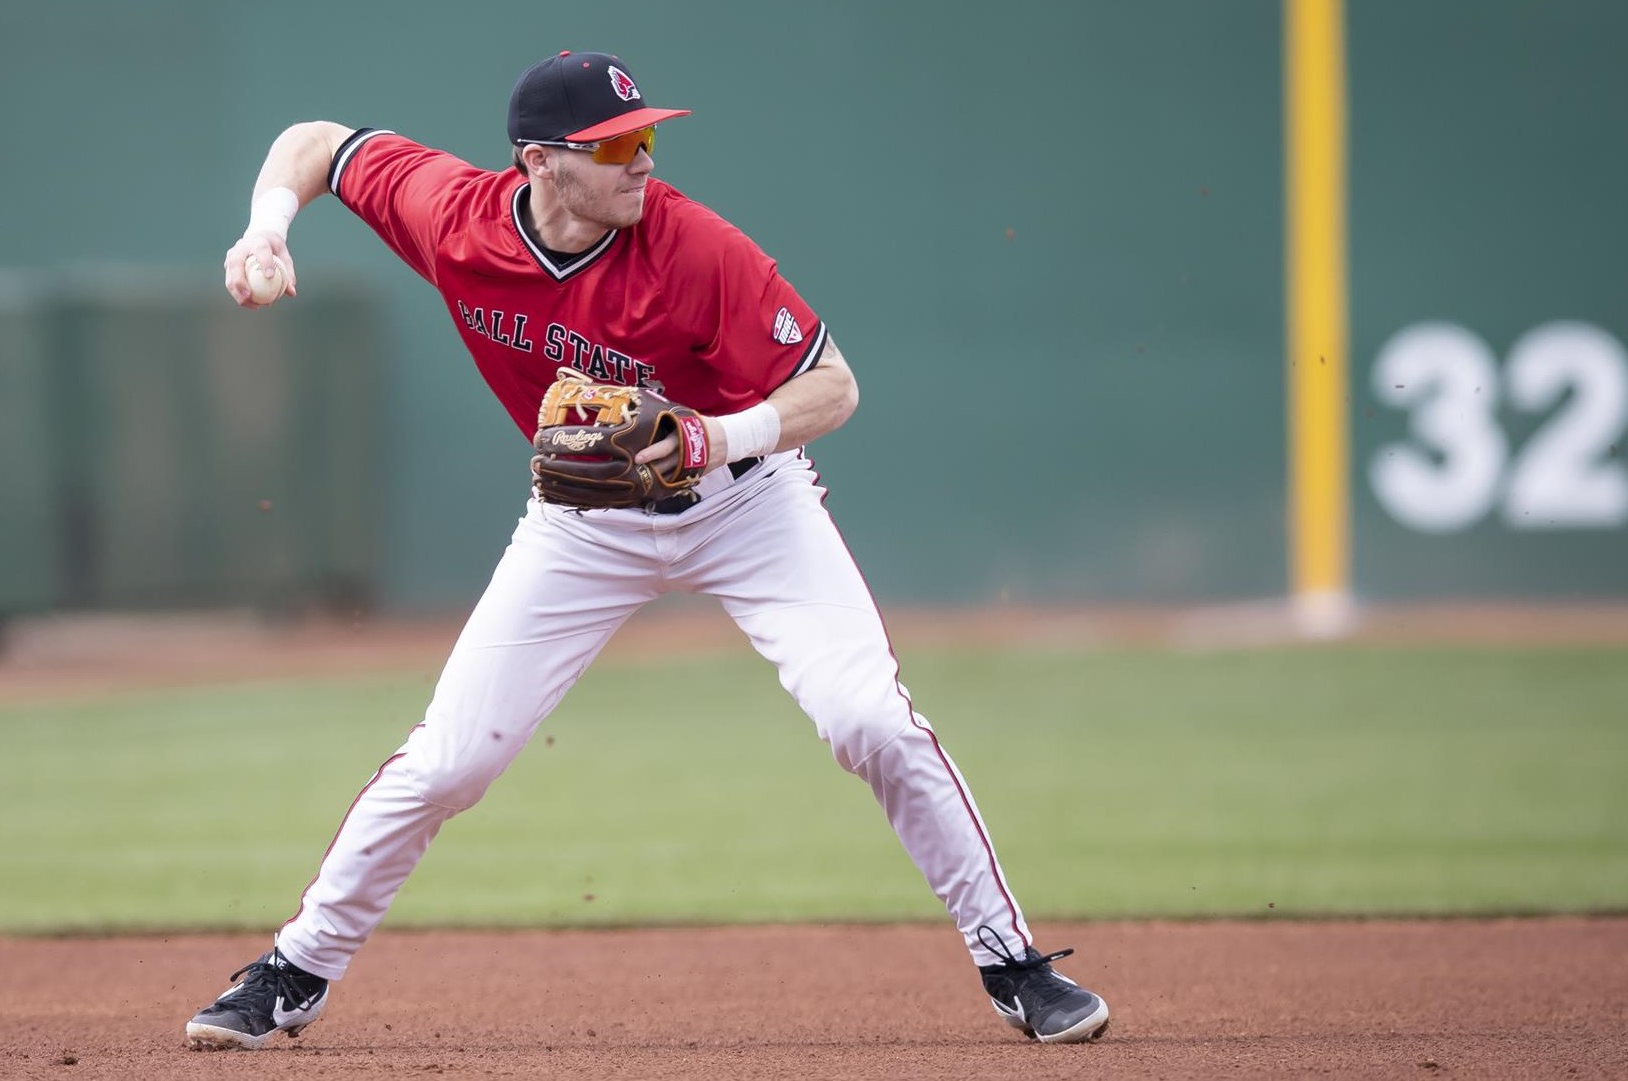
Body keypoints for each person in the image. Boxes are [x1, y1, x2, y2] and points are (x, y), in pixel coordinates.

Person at [186, 49, 1110, 1050]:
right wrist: (266, 229)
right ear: (539, 163)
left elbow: (833, 386)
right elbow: (316, 145)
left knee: (868, 720)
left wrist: (717, 437)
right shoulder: (455, 218)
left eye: (646, 137)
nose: (643, 160)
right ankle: (297, 968)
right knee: (450, 760)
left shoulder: (693, 247)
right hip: (583, 524)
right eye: (615, 145)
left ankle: (1012, 961)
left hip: (747, 504)